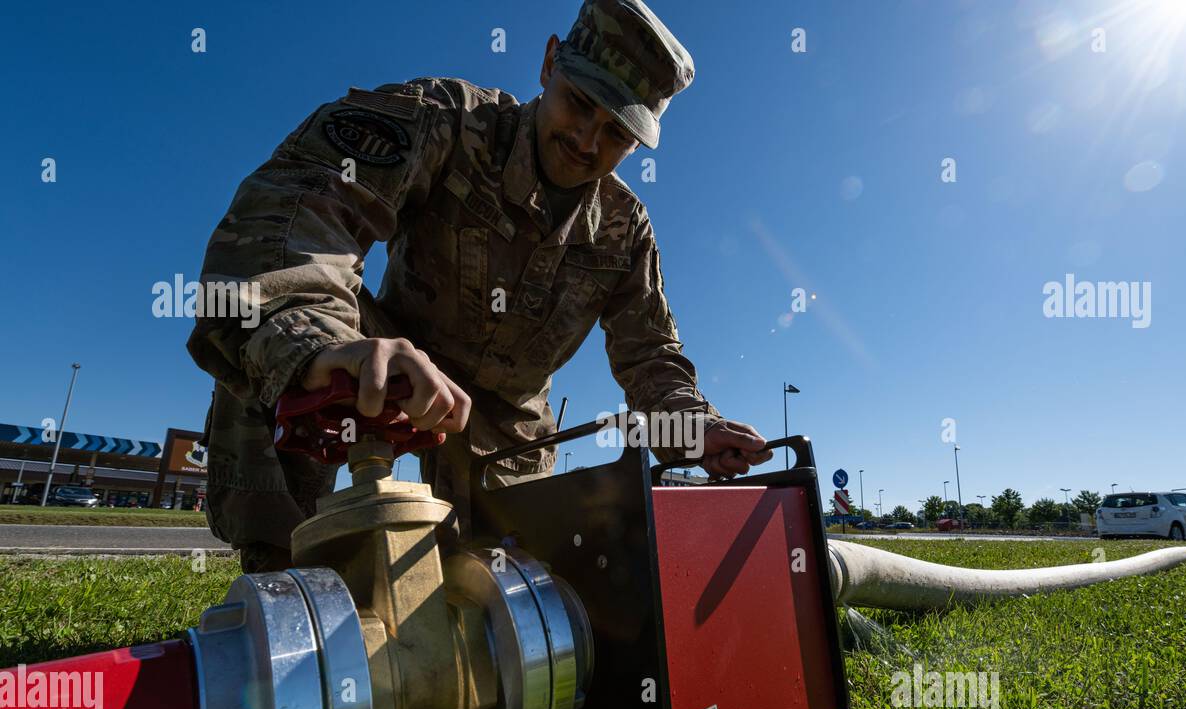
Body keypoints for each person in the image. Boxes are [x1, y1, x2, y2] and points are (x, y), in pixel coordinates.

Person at [187, 0, 772, 572]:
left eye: (617, 134)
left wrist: (691, 426)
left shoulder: (625, 229)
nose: (589, 143)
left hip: (507, 420)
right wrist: (318, 343)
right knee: (281, 347)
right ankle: (279, 579)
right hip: (395, 358)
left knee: (504, 583)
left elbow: (651, 355)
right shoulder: (449, 120)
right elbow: (303, 204)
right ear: (549, 65)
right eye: (579, 103)